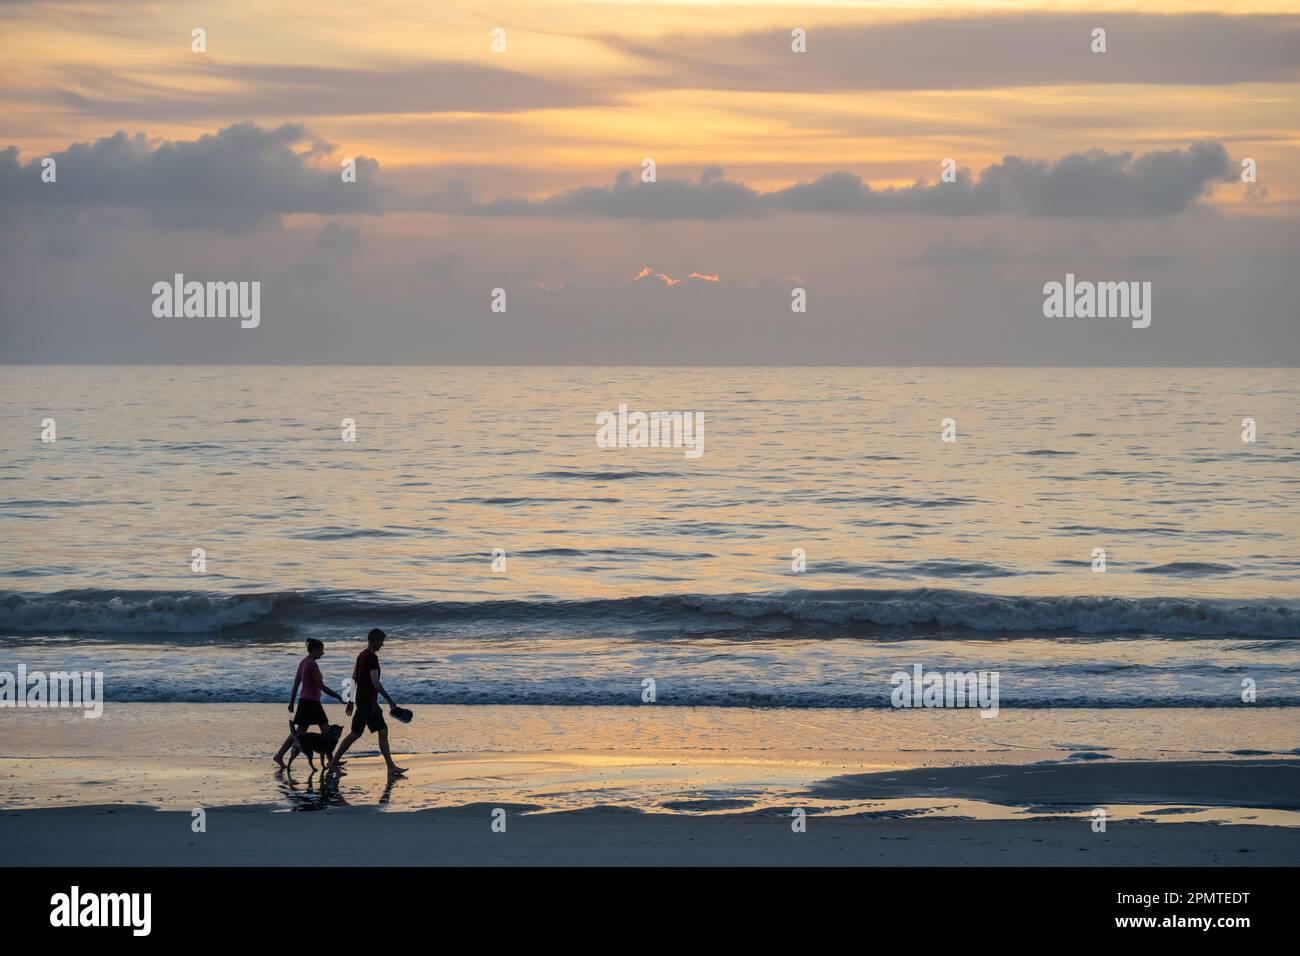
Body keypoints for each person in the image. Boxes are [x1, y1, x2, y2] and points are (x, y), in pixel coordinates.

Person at [326, 628, 407, 777]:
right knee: (355, 733)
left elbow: (353, 677)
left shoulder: (362, 655)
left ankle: (390, 766)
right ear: (374, 640)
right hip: (366, 703)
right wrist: (390, 700)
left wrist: (351, 700)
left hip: (368, 703)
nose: (382, 644)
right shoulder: (371, 658)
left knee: (382, 731)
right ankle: (332, 763)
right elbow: (375, 682)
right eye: (381, 641)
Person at [274, 638, 344, 768]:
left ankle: (332, 761)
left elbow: (296, 683)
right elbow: (320, 685)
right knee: (299, 733)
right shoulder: (312, 664)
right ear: (315, 649)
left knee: (325, 729)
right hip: (309, 703)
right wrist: (338, 696)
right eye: (321, 650)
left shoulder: (303, 662)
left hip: (310, 702)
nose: (323, 653)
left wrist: (292, 702)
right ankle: (279, 755)